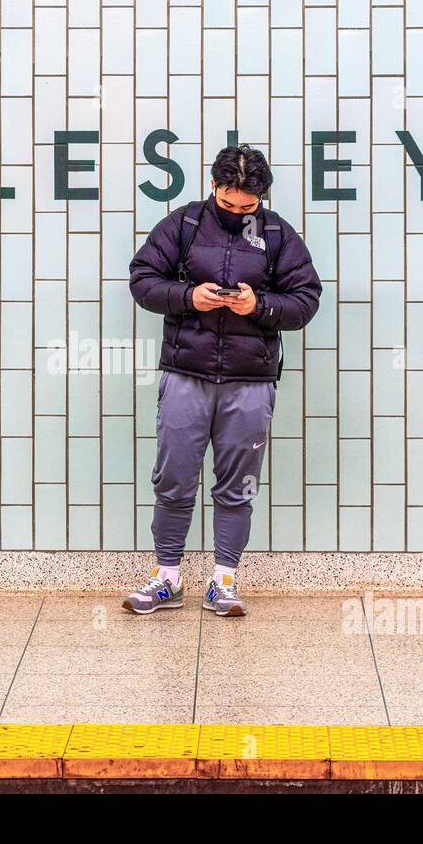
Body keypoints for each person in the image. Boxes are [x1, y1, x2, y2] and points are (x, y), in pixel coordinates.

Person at [124, 145, 323, 617]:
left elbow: (306, 300)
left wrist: (259, 306)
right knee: (173, 479)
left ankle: (224, 581)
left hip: (250, 379)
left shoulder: (277, 234)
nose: (236, 213)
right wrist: (190, 296)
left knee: (237, 485)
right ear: (214, 187)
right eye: (229, 203)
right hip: (185, 374)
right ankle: (167, 579)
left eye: (247, 207)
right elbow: (142, 280)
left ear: (262, 198)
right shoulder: (185, 224)